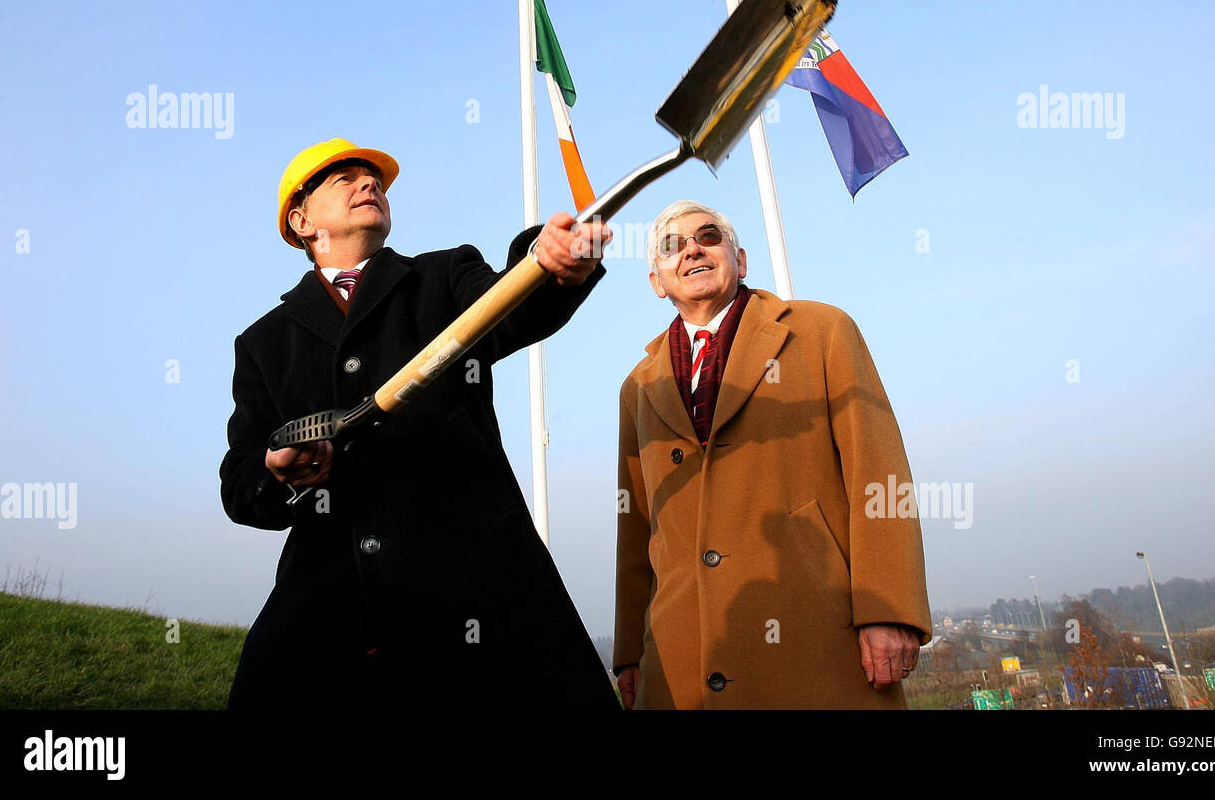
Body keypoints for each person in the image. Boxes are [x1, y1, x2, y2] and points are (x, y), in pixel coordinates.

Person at [221, 137, 618, 710]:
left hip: (476, 582)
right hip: (332, 601)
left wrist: (549, 263)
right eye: (345, 178)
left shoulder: (444, 275)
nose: (370, 184)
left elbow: (511, 304)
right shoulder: (263, 342)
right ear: (301, 221)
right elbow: (240, 482)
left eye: (375, 179)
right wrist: (277, 471)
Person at [613, 200, 933, 709]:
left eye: (708, 237)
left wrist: (889, 608)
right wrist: (630, 649)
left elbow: (880, 473)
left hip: (819, 637)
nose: (692, 249)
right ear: (657, 281)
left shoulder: (822, 330)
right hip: (680, 659)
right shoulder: (638, 386)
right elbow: (635, 527)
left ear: (740, 260)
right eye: (672, 246)